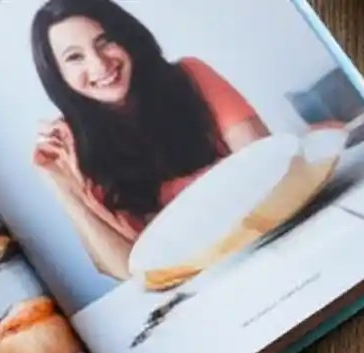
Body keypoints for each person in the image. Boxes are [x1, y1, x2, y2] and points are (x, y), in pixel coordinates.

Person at [30, 0, 270, 280]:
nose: (99, 64)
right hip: (191, 284)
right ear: (58, 75)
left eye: (104, 42)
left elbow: (267, 170)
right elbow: (123, 269)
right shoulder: (67, 148)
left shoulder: (190, 76)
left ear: (126, 37)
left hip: (261, 240)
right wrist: (59, 184)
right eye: (74, 57)